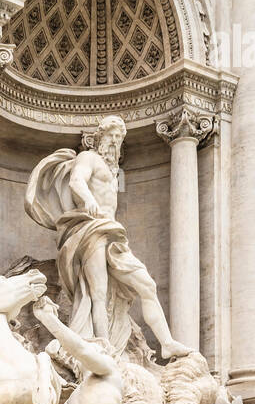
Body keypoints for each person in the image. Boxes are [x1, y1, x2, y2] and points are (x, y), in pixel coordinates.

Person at [25, 114, 190, 359]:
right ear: (100, 138)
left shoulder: (114, 171)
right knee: (98, 294)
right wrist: (89, 200)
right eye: (111, 136)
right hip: (92, 230)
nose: (114, 142)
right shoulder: (88, 157)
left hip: (113, 234)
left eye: (118, 138)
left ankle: (166, 342)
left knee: (147, 285)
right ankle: (106, 350)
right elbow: (76, 180)